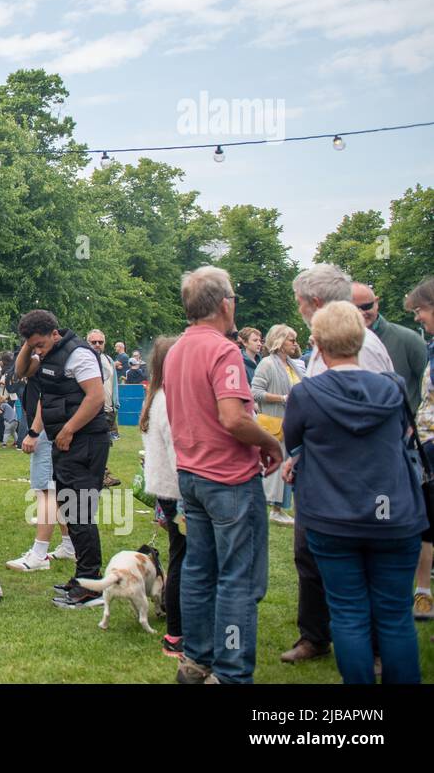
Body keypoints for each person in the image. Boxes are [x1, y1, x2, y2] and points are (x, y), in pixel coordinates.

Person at [282, 301, 426, 683]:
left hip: (333, 516)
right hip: (393, 514)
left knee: (348, 613)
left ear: (318, 344)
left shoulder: (306, 395)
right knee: (394, 615)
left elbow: (294, 443)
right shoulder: (392, 388)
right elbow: (402, 435)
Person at [165, 266, 283, 684]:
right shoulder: (224, 350)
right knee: (237, 579)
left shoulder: (177, 348)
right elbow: (233, 418)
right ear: (225, 304)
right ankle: (231, 673)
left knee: (199, 570)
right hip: (228, 478)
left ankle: (196, 661)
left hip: (192, 475)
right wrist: (270, 443)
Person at [282, 263, 394, 665]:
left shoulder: (362, 346)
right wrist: (300, 455)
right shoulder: (322, 344)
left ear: (314, 302)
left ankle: (377, 649)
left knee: (363, 560)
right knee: (308, 555)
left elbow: (376, 418)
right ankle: (315, 635)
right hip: (318, 473)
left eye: (298, 302)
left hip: (356, 477)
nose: (297, 309)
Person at [17, 312, 110, 609]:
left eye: (41, 344)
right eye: (34, 347)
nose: (38, 352)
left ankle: (91, 585)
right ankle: (82, 577)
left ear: (55, 334)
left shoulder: (78, 355)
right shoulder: (48, 355)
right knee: (70, 511)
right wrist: (28, 345)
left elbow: (95, 397)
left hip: (84, 441)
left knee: (80, 513)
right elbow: (21, 371)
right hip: (64, 443)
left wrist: (69, 429)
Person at [7, 336, 76, 572]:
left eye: (36, 341)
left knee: (45, 490)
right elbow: (20, 370)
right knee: (57, 491)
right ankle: (69, 545)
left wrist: (35, 431)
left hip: (46, 430)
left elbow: (44, 400)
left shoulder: (52, 362)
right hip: (54, 428)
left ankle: (40, 553)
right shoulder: (57, 357)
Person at [140, 336, 184, 656]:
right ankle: (177, 631)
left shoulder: (157, 395)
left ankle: (177, 625)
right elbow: (178, 455)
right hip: (179, 492)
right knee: (185, 559)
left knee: (181, 556)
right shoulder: (169, 400)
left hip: (169, 491)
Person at [402, 278, 434, 624]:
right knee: (427, 525)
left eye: (421, 310)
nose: (418, 318)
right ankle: (422, 594)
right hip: (426, 448)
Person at [251, 324, 302, 526]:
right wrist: (282, 398)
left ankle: (280, 507)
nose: (295, 343)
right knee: (276, 465)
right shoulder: (267, 364)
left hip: (291, 424)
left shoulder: (293, 365)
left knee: (287, 464)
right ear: (280, 342)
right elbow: (255, 392)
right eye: (291, 339)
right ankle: (275, 509)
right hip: (275, 423)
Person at [353, 282, 427, 414]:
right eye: (352, 308)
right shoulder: (338, 346)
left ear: (376, 302)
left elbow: (428, 389)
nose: (360, 313)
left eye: (366, 306)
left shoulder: (407, 339)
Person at [87, 328, 122, 466]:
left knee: (104, 445)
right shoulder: (84, 359)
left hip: (109, 409)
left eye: (100, 342)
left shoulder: (109, 360)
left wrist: (115, 405)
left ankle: (101, 473)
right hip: (92, 409)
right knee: (92, 444)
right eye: (93, 342)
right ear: (87, 342)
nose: (97, 344)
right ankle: (99, 475)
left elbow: (114, 385)